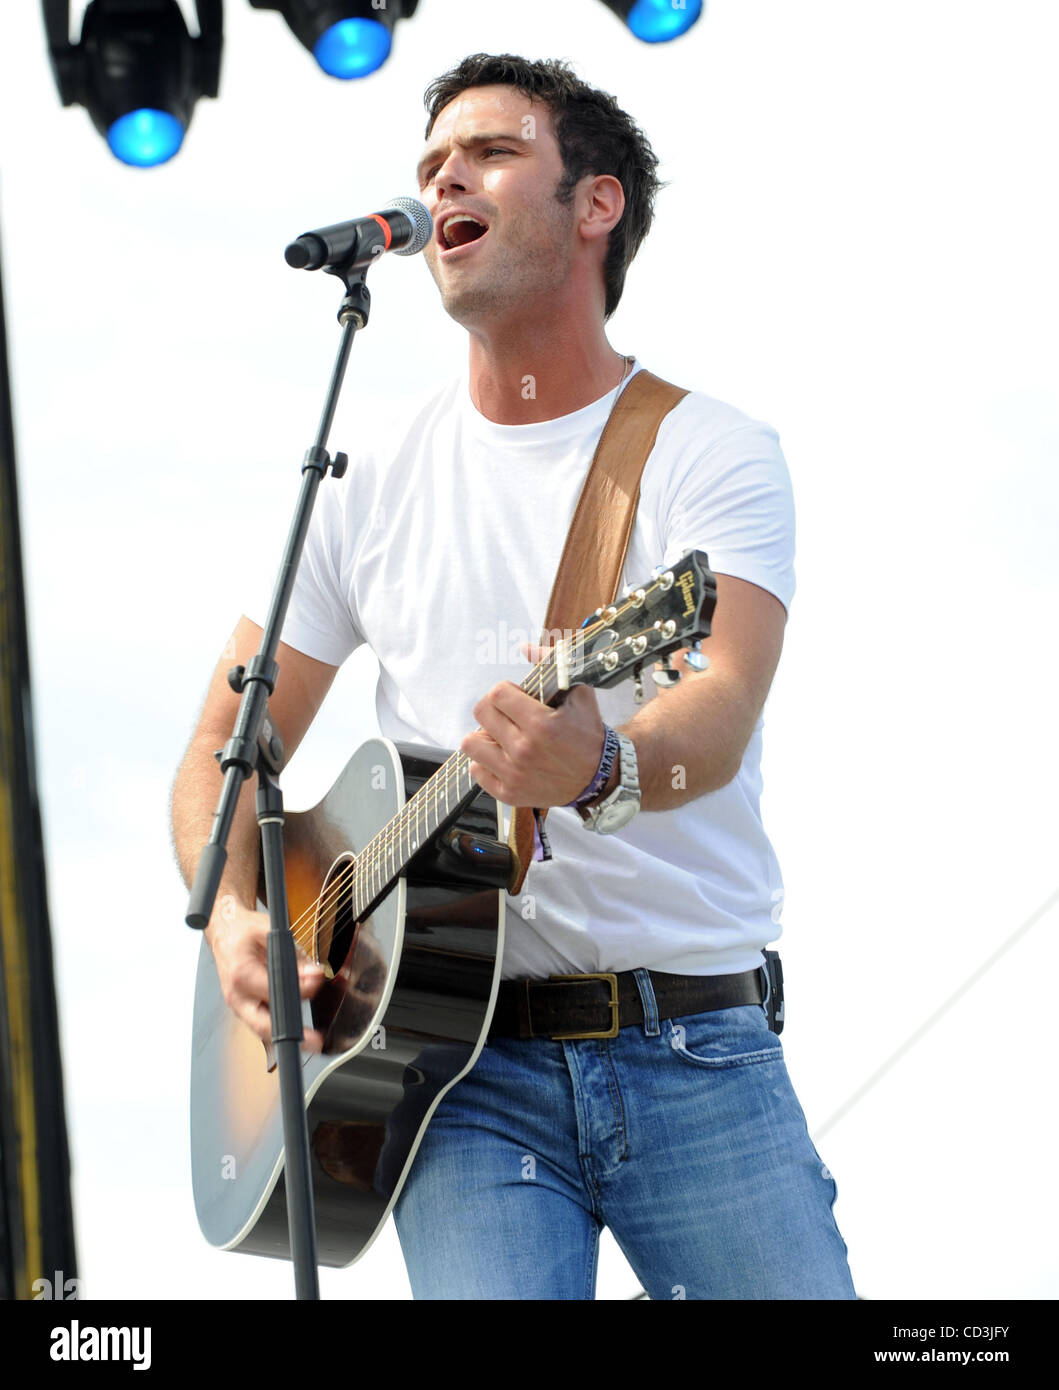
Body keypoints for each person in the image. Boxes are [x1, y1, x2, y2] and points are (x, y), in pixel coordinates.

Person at [171, 53, 856, 1300]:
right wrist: (240, 926)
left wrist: (599, 764)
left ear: (595, 205)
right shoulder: (363, 481)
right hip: (456, 1079)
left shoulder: (710, 450)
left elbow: (723, 699)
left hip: (692, 1045)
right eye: (429, 164)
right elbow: (222, 763)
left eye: (486, 153)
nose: (442, 179)